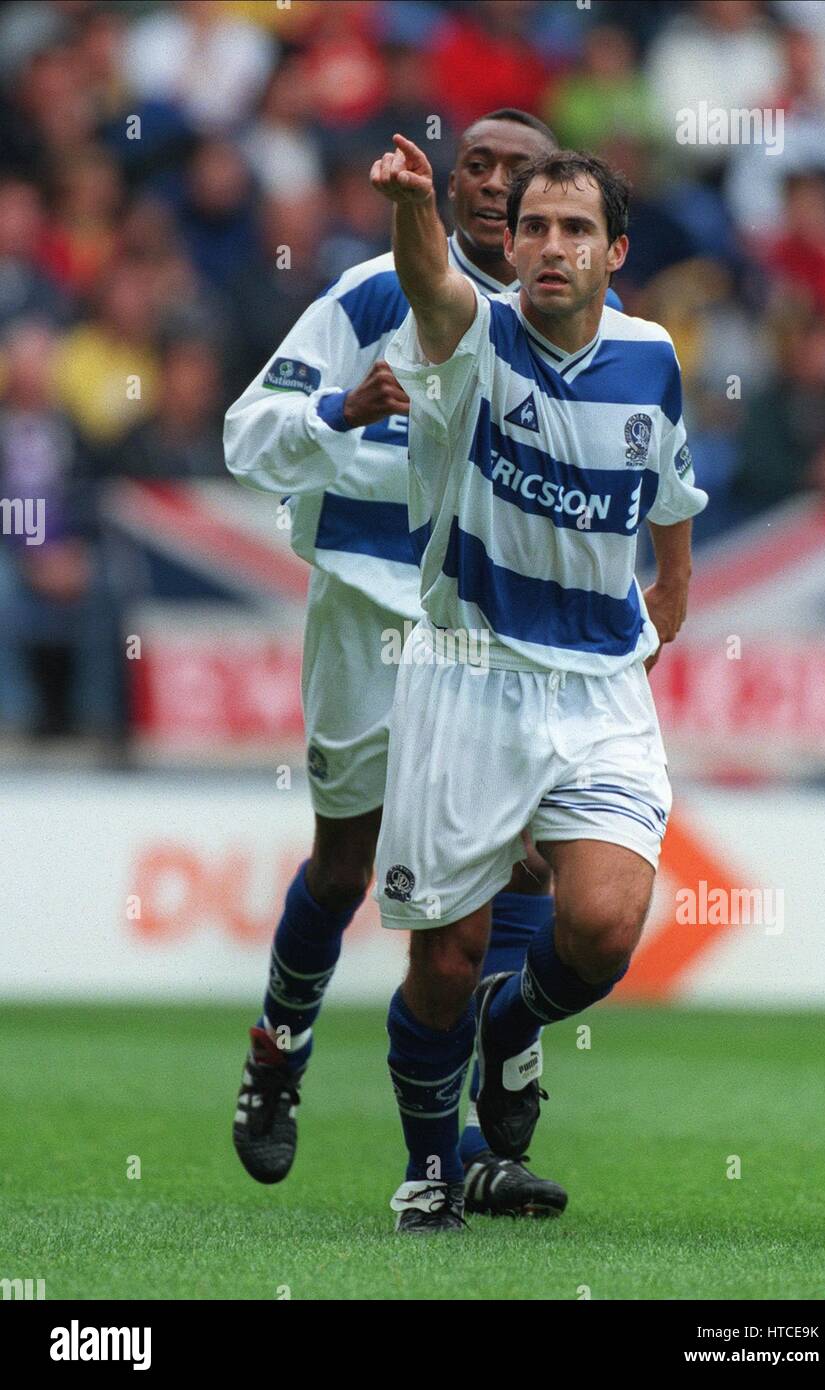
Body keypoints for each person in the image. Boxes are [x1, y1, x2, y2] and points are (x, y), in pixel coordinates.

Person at [224, 111, 625, 1218]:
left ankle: (476, 1113)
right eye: (477, 166)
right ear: (449, 190)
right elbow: (243, 433)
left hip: (494, 640)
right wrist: (337, 412)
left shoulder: (584, 324)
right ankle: (279, 1050)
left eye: (519, 170)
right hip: (368, 619)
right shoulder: (370, 295)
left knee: (529, 864)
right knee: (348, 872)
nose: (494, 185)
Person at [369, 135, 706, 1232]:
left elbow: (668, 490)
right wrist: (416, 206)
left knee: (604, 928)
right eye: (532, 229)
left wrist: (670, 593)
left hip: (597, 684)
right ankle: (428, 1166)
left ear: (614, 251)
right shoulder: (472, 338)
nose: (550, 248)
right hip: (469, 673)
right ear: (505, 248)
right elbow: (428, 278)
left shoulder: (651, 356)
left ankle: (510, 1029)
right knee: (445, 955)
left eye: (574, 230)